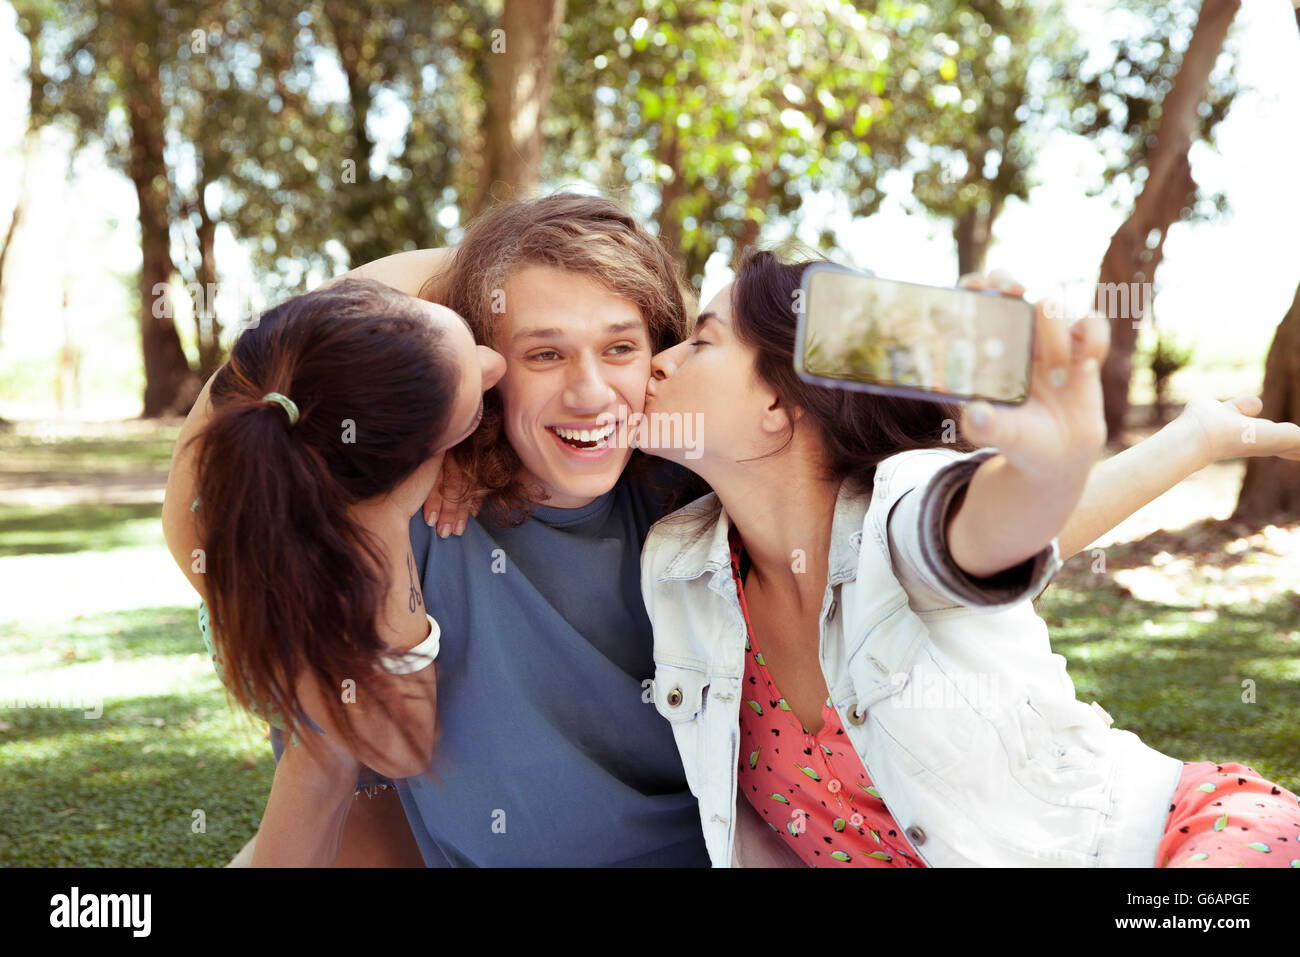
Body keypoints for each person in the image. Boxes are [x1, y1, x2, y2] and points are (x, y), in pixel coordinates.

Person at [636, 250, 1300, 867]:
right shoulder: (679, 570)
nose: (660, 361)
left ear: (779, 402)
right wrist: (1194, 439)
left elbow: (986, 527)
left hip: (1171, 839)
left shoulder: (900, 509)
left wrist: (1050, 463)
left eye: (702, 341)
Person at [161, 278, 505, 865]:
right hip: (290, 607)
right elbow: (405, 747)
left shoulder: (286, 370)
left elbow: (479, 361)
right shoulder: (371, 544)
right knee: (324, 761)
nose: (489, 362)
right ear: (413, 465)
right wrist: (392, 520)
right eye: (470, 417)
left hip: (260, 568)